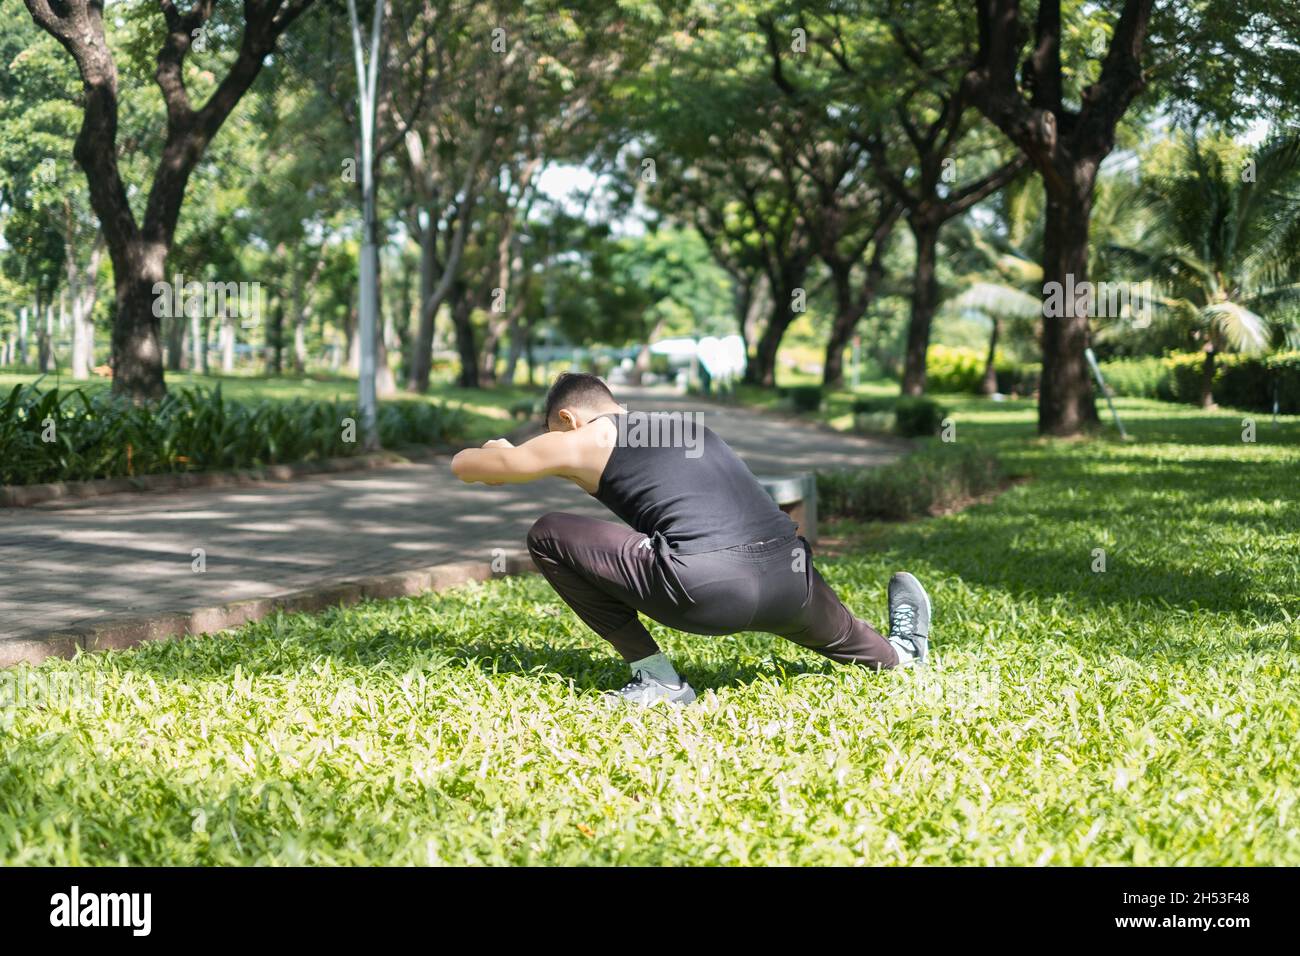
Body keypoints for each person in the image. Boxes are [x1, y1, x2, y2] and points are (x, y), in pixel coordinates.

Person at [450, 372, 932, 705]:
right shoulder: (685, 427)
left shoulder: (583, 436)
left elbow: (476, 469)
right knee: (856, 640)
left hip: (705, 589)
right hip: (793, 585)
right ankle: (901, 654)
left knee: (548, 532)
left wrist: (498, 450)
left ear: (568, 419)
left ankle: (659, 681)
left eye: (550, 433)